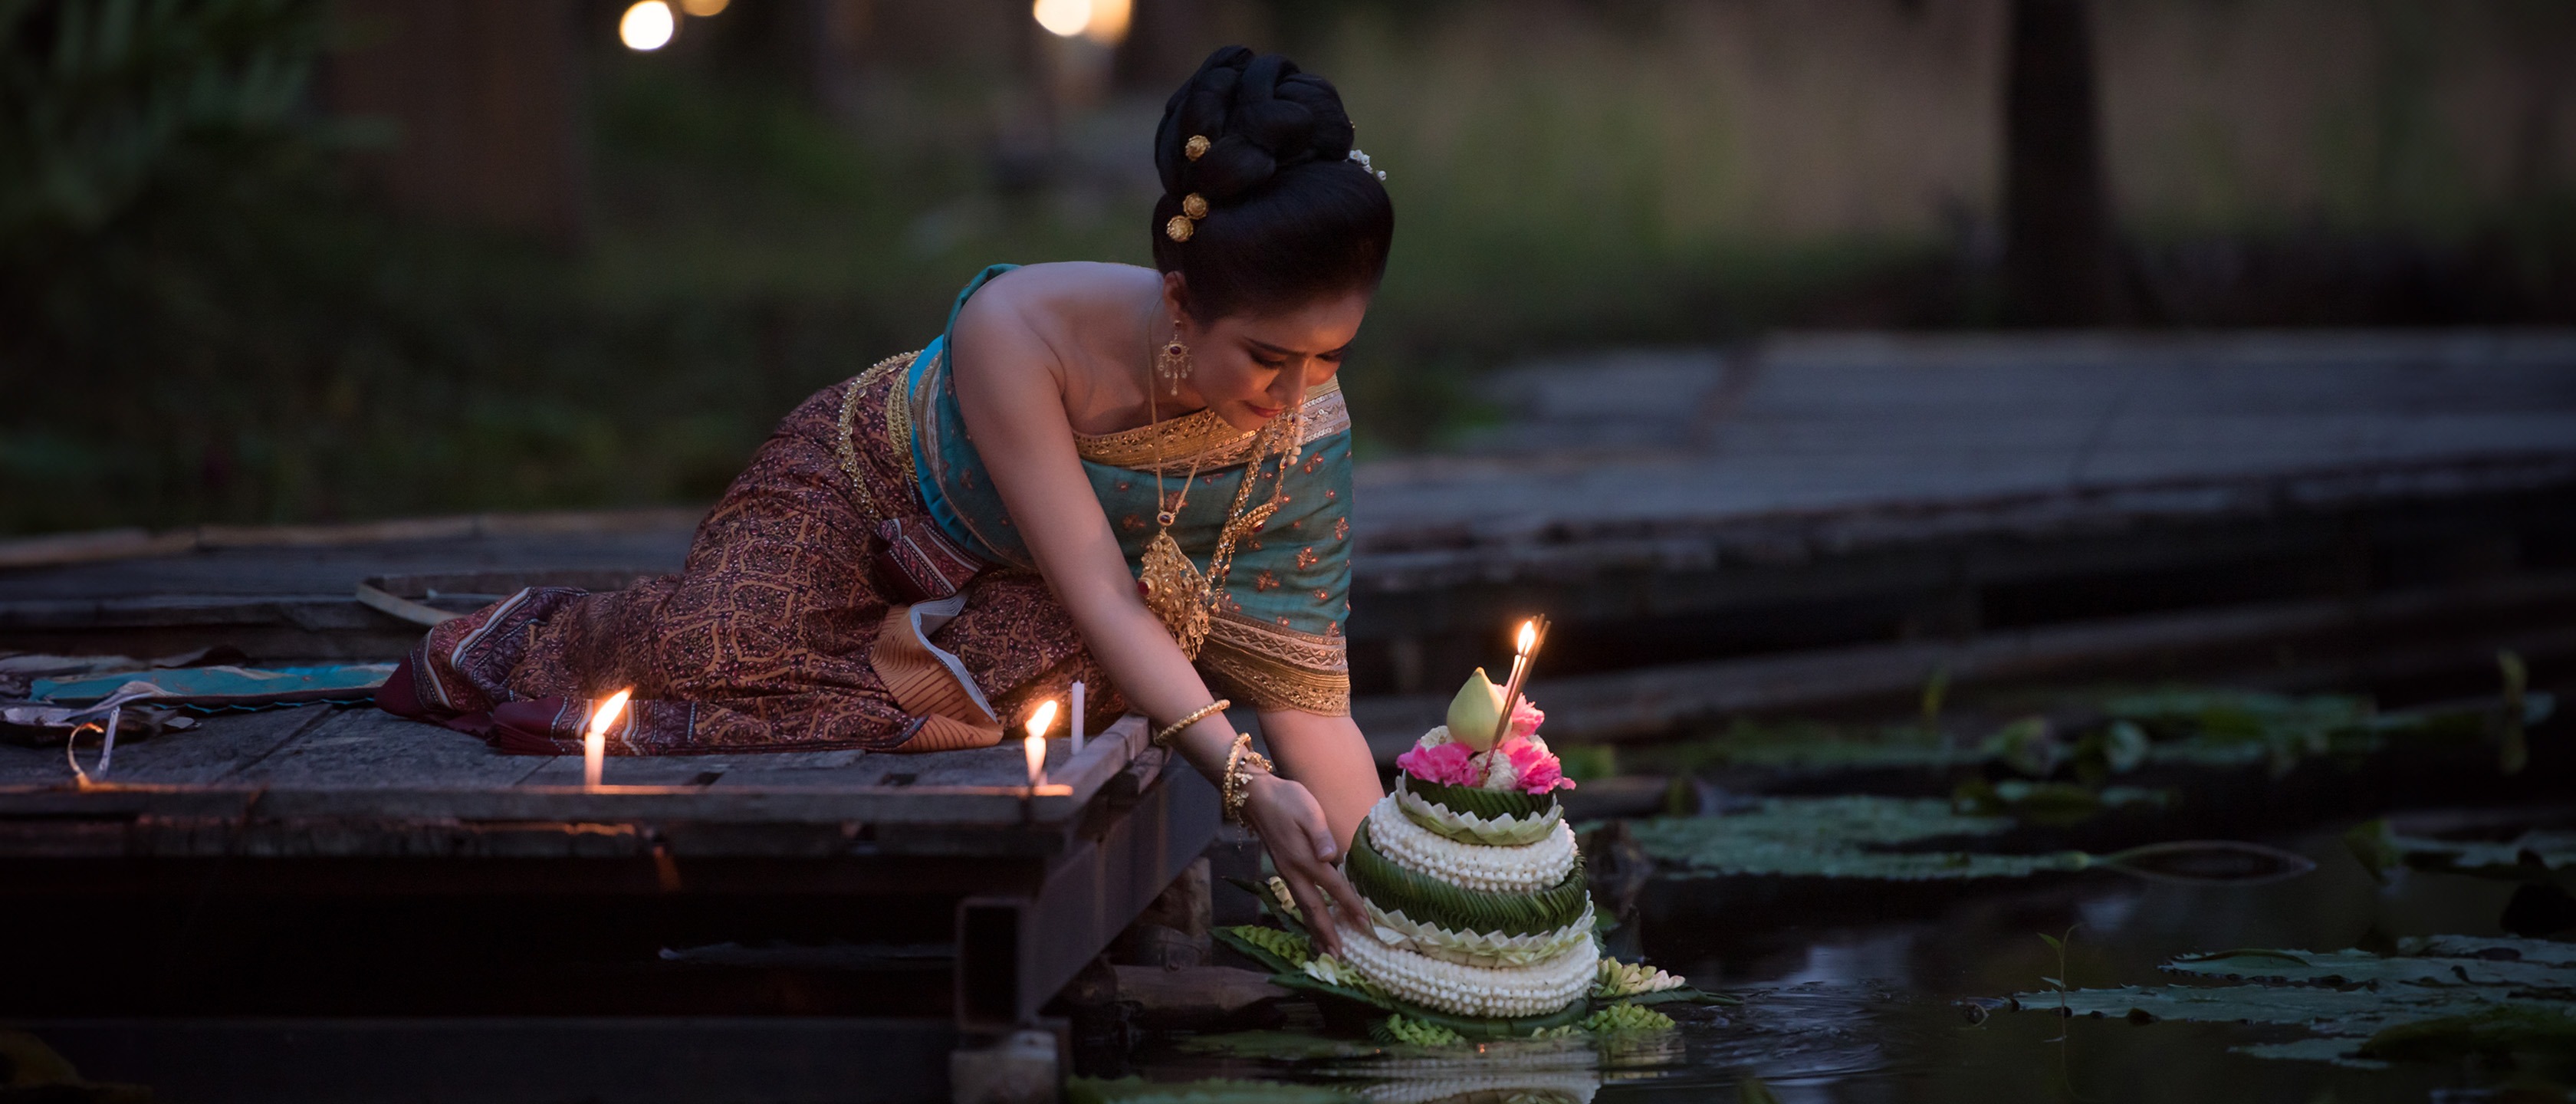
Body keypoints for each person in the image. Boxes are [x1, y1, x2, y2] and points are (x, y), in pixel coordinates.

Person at [376, 46, 1391, 946]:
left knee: (1055, 676)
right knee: (714, 653)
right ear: (1179, 301)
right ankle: (533, 637)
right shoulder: (1019, 328)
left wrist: (1398, 908)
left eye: (1330, 358)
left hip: (1023, 592)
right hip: (863, 499)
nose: (1297, 394)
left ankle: (927, 656)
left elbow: (1305, 689)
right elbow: (1102, 590)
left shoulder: (1302, 425)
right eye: (1268, 358)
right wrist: (1244, 782)